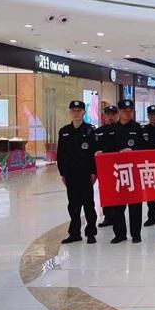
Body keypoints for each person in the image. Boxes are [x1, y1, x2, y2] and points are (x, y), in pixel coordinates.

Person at [106, 99, 149, 244]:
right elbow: (107, 150)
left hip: (134, 172)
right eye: (124, 110)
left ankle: (136, 234)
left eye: (130, 110)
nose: (127, 113)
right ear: (119, 112)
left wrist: (132, 151)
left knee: (135, 205)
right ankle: (119, 234)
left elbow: (145, 149)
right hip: (117, 173)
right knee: (117, 205)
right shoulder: (112, 129)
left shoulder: (138, 129)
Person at [57, 100, 98, 244]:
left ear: (84, 112)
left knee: (88, 204)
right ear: (70, 112)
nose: (76, 113)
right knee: (73, 205)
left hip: (86, 174)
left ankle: (91, 233)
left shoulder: (90, 130)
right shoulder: (64, 131)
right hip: (70, 174)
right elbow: (60, 154)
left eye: (79, 111)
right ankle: (74, 233)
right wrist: (62, 173)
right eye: (73, 111)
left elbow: (94, 154)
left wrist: (94, 172)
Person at [95, 104, 118, 227]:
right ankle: (108, 217)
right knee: (105, 193)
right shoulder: (98, 132)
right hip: (103, 169)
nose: (110, 117)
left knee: (118, 192)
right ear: (104, 116)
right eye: (108, 114)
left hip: (118, 168)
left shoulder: (120, 130)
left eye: (113, 114)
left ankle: (117, 216)